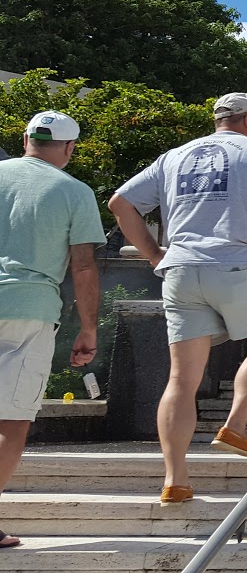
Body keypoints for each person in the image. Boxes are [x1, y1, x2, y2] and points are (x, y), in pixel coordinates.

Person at [108, 93, 247, 505]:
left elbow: (120, 203)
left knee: (181, 380)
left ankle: (175, 480)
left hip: (181, 270)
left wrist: (154, 253)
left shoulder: (173, 157)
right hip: (237, 263)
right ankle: (235, 425)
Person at [0, 112, 104, 548]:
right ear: (69, 148)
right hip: (28, 308)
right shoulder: (75, 191)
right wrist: (88, 329)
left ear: (25, 138)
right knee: (11, 418)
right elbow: (83, 266)